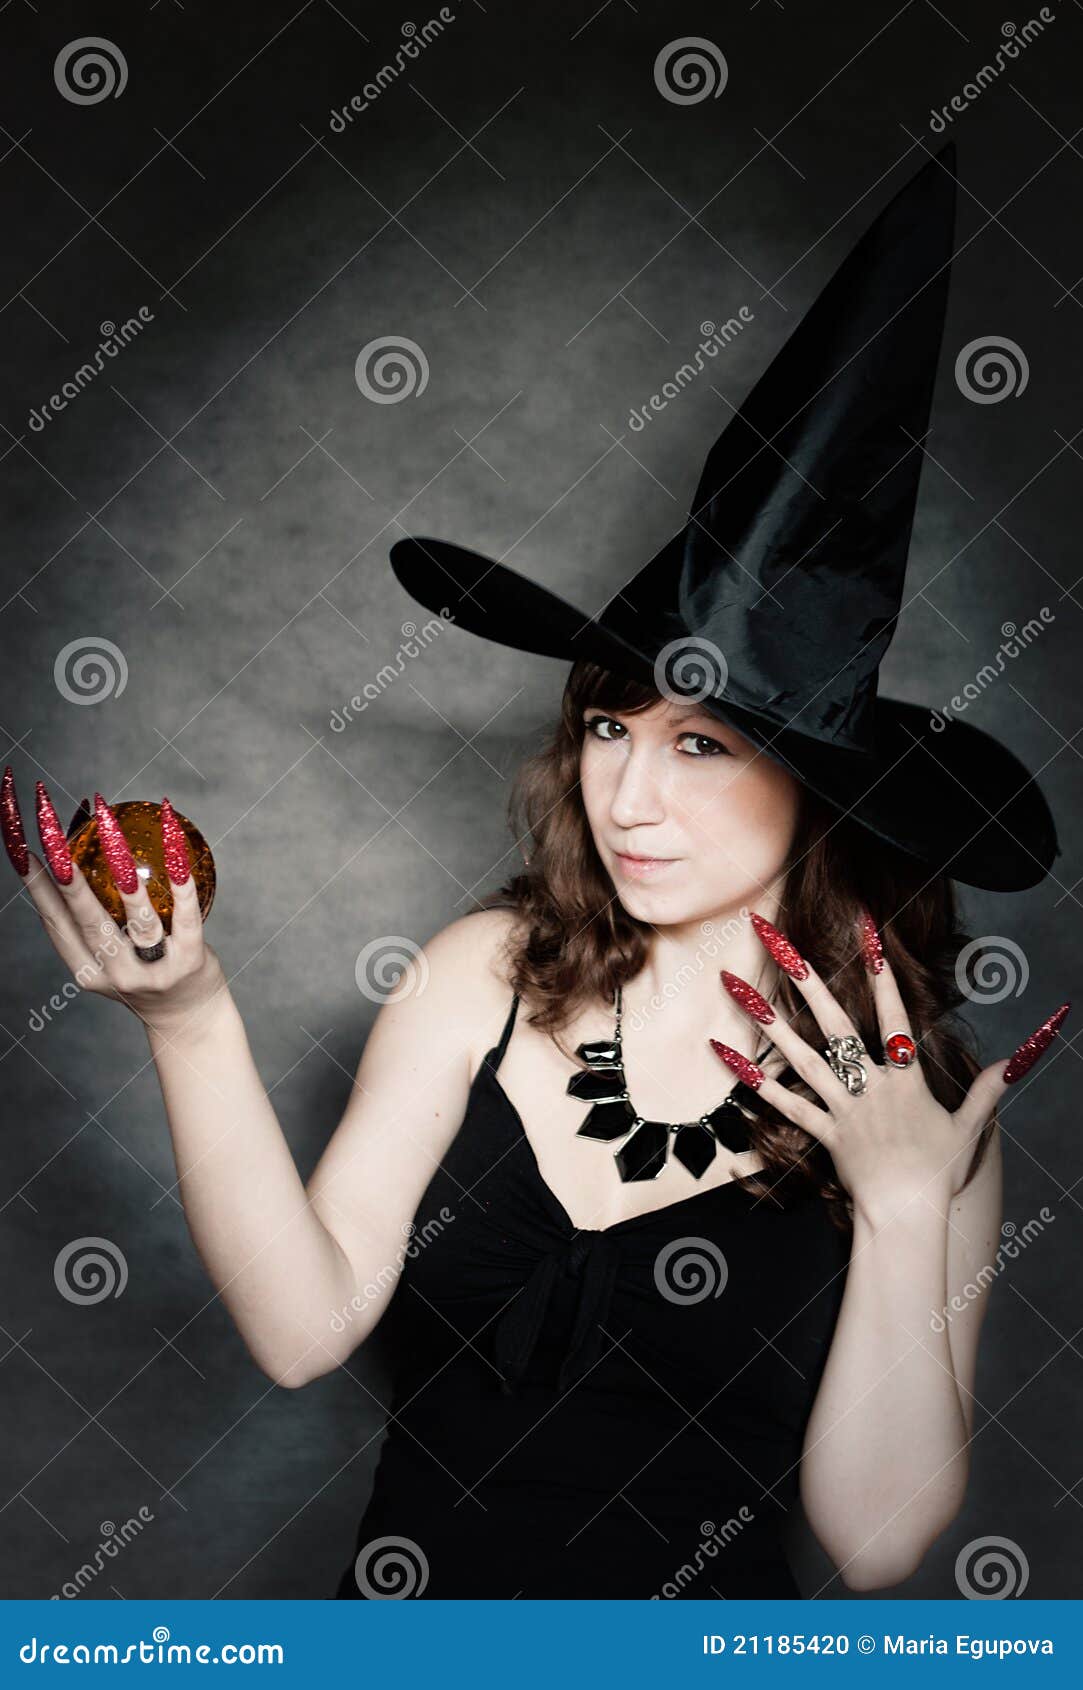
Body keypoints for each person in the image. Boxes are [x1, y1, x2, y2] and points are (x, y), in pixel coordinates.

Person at [1, 144, 1068, 1600]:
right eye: (610, 726)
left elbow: (876, 1544)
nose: (624, 793)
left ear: (815, 783)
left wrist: (895, 1205)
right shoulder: (481, 976)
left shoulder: (924, 1108)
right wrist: (188, 1018)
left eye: (701, 746)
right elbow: (305, 1330)